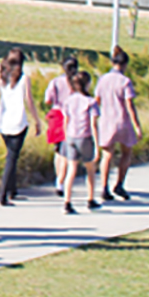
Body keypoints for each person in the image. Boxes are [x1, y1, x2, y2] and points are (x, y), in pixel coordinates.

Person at [0, 48, 41, 207]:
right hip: (18, 122)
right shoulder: (24, 79)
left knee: (12, 155)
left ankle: (12, 189)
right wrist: (37, 120)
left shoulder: (0, 79)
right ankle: (4, 193)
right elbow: (29, 101)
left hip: (3, 123)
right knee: (12, 157)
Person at [95, 47, 144, 202]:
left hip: (106, 120)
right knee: (126, 152)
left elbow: (97, 99)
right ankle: (119, 183)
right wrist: (137, 125)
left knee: (107, 154)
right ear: (125, 65)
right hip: (121, 120)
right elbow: (129, 104)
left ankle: (104, 186)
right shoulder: (125, 81)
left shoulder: (103, 79)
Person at [57, 70, 101, 214]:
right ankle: (90, 198)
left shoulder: (69, 100)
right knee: (90, 168)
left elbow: (66, 119)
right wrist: (97, 145)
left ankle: (67, 201)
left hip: (71, 136)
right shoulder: (91, 102)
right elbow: (93, 124)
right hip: (84, 136)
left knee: (72, 169)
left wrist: (65, 136)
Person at [43, 56, 80, 197]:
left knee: (58, 151)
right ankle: (61, 181)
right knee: (66, 152)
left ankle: (58, 179)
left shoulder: (56, 82)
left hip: (56, 116)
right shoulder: (77, 82)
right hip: (71, 117)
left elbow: (47, 99)